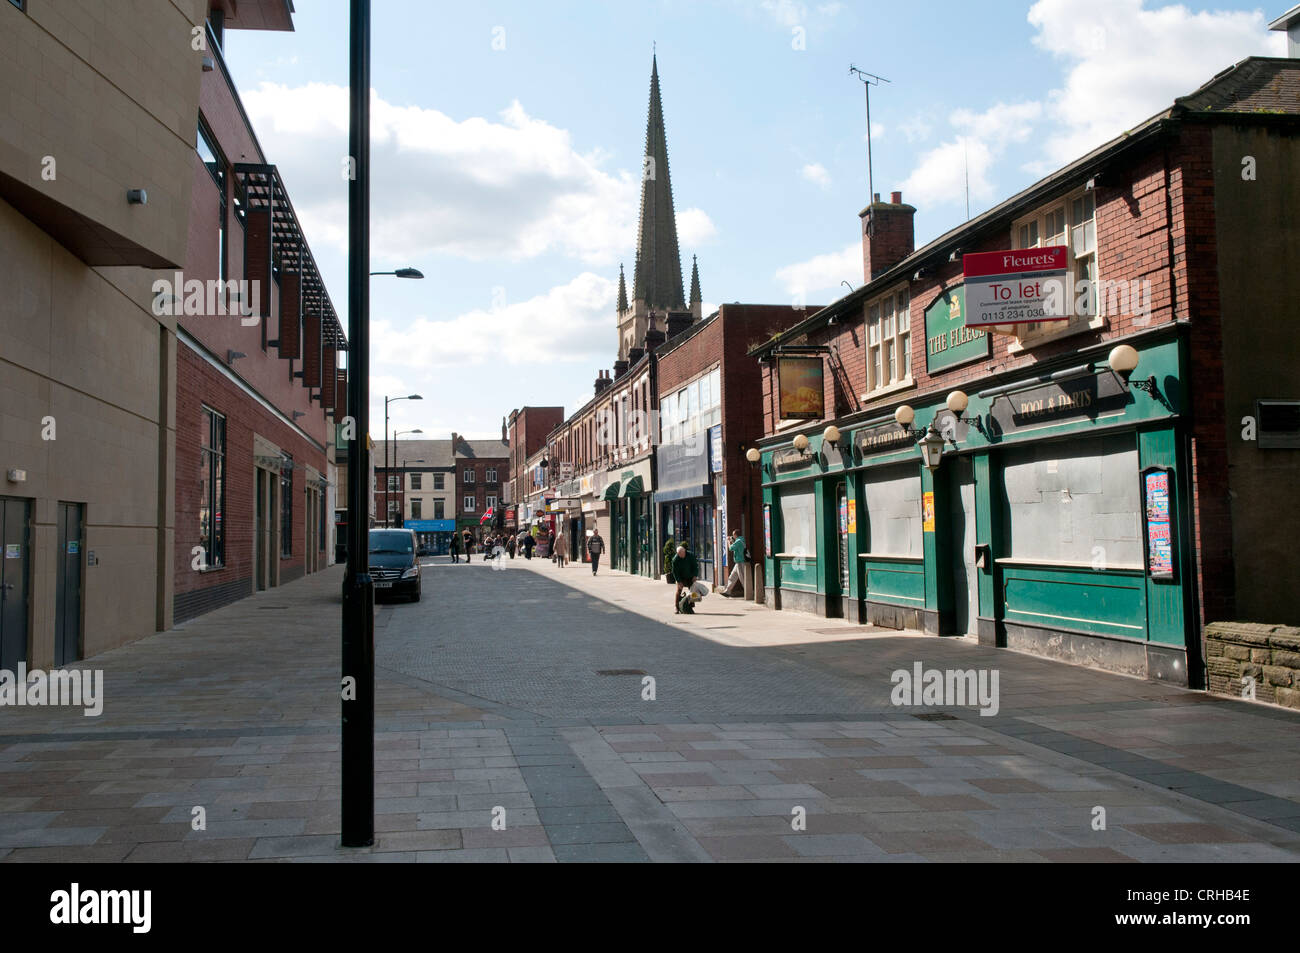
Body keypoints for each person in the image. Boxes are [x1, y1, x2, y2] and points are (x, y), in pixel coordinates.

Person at [671, 544, 698, 614]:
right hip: (681, 577)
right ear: (677, 554)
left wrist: (695, 575)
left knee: (693, 591)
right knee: (678, 590)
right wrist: (678, 581)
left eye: (683, 553)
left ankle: (690, 606)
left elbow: (695, 566)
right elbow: (675, 572)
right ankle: (676, 607)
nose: (682, 555)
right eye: (680, 554)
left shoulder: (691, 556)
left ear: (685, 551)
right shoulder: (675, 560)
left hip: (690, 576)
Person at [722, 530, 747, 597]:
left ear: (736, 535)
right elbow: (736, 547)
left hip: (740, 562)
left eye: (733, 535)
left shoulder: (739, 541)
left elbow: (731, 548)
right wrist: (732, 541)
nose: (733, 536)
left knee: (743, 578)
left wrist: (728, 541)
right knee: (732, 577)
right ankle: (727, 591)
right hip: (738, 562)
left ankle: (749, 593)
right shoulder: (740, 540)